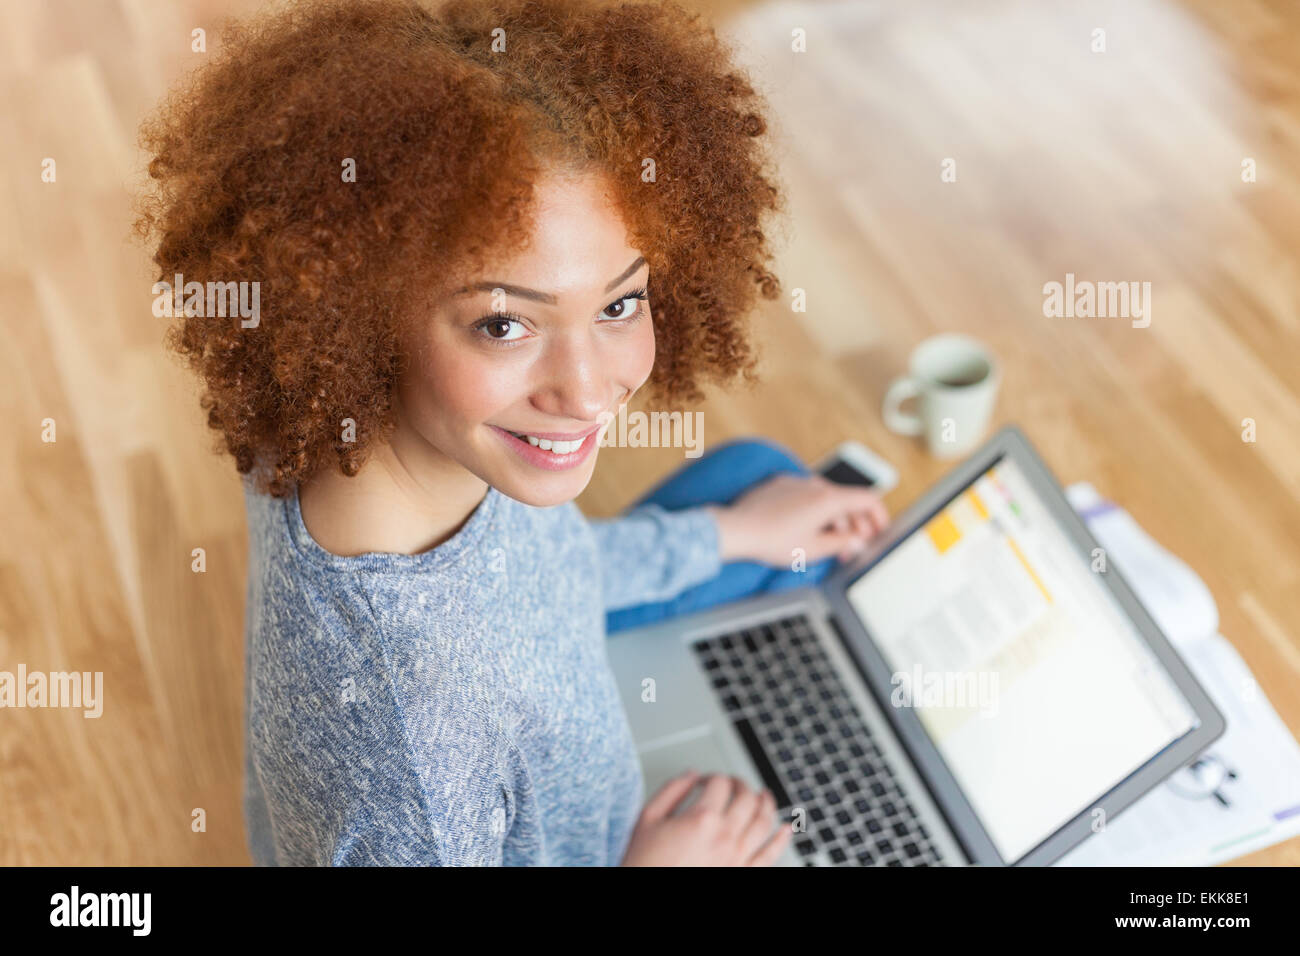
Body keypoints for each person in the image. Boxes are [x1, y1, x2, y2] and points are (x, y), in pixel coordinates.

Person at [136, 0, 888, 866]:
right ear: (356, 317)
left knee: (762, 479)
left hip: (540, 683)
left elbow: (541, 576)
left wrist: (733, 534)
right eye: (503, 325)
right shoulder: (408, 772)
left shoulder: (382, 436)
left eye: (619, 302)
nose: (587, 391)